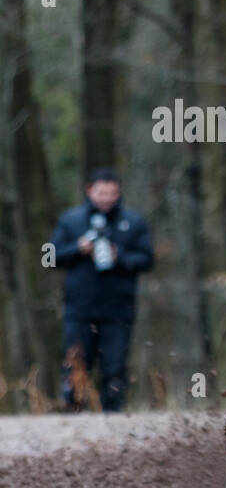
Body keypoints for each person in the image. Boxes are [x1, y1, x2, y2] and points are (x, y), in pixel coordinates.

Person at [50, 168, 154, 411]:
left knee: (114, 367)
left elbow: (147, 260)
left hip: (118, 310)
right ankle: (72, 418)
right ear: (90, 191)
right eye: (102, 193)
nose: (107, 198)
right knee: (75, 364)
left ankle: (113, 420)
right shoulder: (71, 220)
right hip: (79, 310)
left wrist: (121, 257)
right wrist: (78, 249)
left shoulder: (134, 222)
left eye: (112, 193)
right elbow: (49, 257)